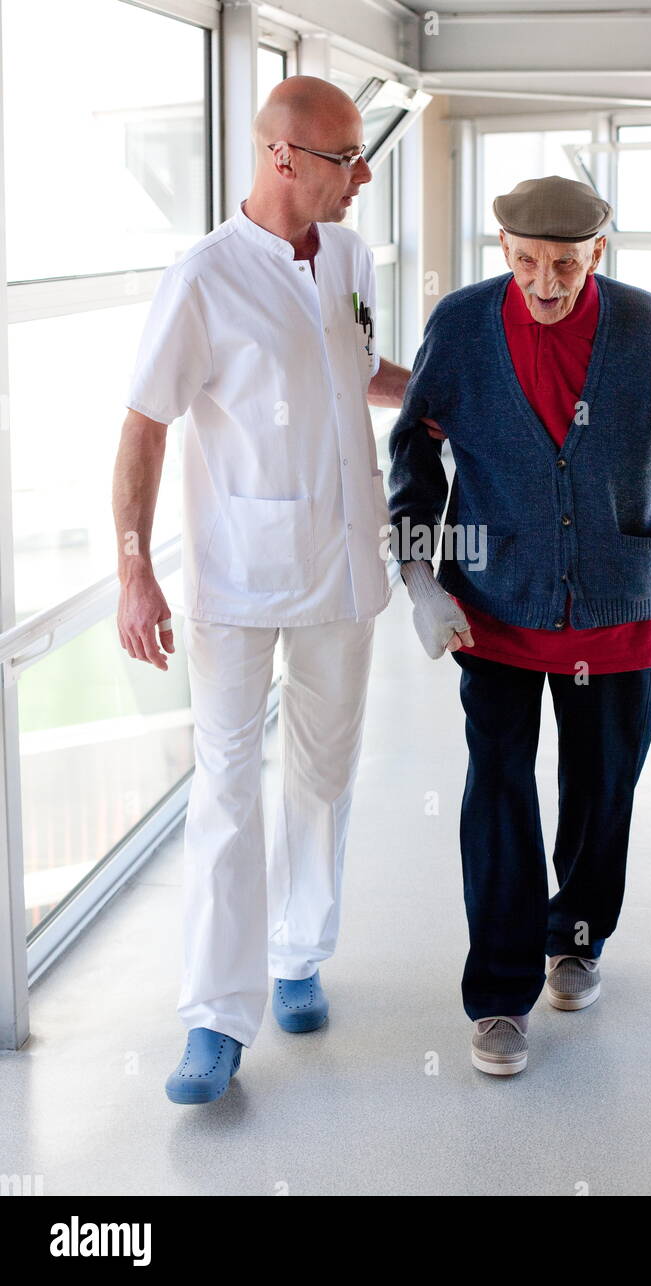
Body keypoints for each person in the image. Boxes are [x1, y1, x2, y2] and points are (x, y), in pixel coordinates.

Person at [387, 174, 651, 1077]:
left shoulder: (645, 329)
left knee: (601, 788)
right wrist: (420, 576)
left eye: (566, 266)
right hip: (492, 609)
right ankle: (499, 997)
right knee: (496, 794)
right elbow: (414, 452)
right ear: (502, 251)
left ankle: (575, 938)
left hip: (615, 609)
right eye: (529, 263)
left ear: (599, 256)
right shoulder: (461, 328)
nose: (546, 284)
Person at [112, 75, 442, 1104]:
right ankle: (214, 1016)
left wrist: (432, 394)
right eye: (347, 157)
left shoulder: (346, 254)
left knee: (322, 775)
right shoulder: (203, 279)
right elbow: (144, 424)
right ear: (283, 158)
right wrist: (132, 567)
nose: (364, 174)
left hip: (345, 569)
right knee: (222, 788)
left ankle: (299, 952)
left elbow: (353, 364)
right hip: (236, 578)